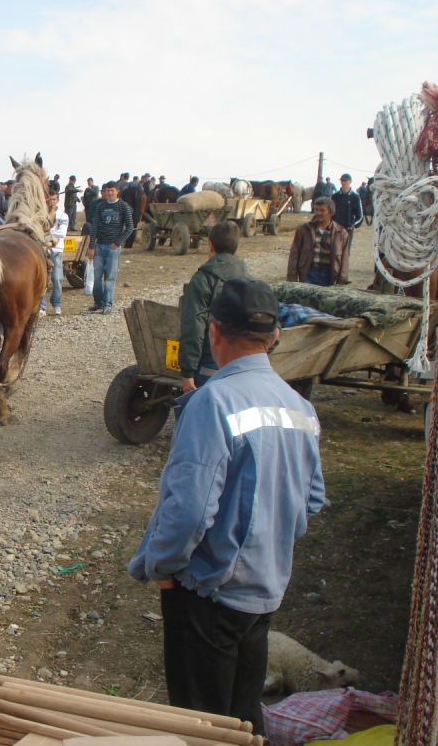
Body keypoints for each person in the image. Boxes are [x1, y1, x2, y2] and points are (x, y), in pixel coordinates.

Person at [129, 277, 325, 735]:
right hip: (264, 591)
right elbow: (311, 499)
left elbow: (191, 511)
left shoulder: (211, 403)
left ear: (214, 332)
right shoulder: (301, 408)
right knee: (243, 715)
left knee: (204, 726)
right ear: (274, 336)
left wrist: (160, 566)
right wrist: (268, 542)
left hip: (207, 595)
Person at [179, 221, 250, 392]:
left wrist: (187, 372)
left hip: (209, 362)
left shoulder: (202, 280)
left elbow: (193, 327)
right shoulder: (251, 281)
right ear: (236, 248)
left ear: (210, 245)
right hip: (242, 362)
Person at [86, 182, 133, 314]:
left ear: (117, 191)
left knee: (110, 277)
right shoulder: (101, 206)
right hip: (99, 246)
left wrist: (118, 242)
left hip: (113, 248)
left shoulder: (123, 206)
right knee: (96, 275)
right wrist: (92, 246)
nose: (109, 193)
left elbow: (129, 227)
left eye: (112, 190)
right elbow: (94, 226)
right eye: (107, 191)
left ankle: (108, 304)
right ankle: (98, 302)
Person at [286, 197, 350, 286]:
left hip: (328, 275)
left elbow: (344, 258)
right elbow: (294, 254)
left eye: (322, 210)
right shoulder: (304, 229)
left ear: (330, 212)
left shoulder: (341, 233)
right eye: (316, 210)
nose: (318, 213)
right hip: (308, 273)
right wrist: (291, 277)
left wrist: (342, 280)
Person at [39, 204, 68, 316]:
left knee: (57, 279)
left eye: (54, 199)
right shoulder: (40, 216)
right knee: (43, 279)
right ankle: (42, 307)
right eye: (49, 199)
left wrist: (48, 233)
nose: (51, 202)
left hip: (57, 251)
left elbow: (62, 233)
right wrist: (52, 234)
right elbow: (38, 232)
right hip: (42, 249)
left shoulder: (63, 216)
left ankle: (56, 304)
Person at [331, 173, 363, 250]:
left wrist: (353, 225)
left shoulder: (355, 197)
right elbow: (329, 212)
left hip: (347, 229)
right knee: (333, 251)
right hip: (335, 229)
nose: (343, 182)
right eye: (342, 180)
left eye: (346, 181)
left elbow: (360, 216)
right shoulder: (335, 196)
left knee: (345, 252)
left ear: (350, 182)